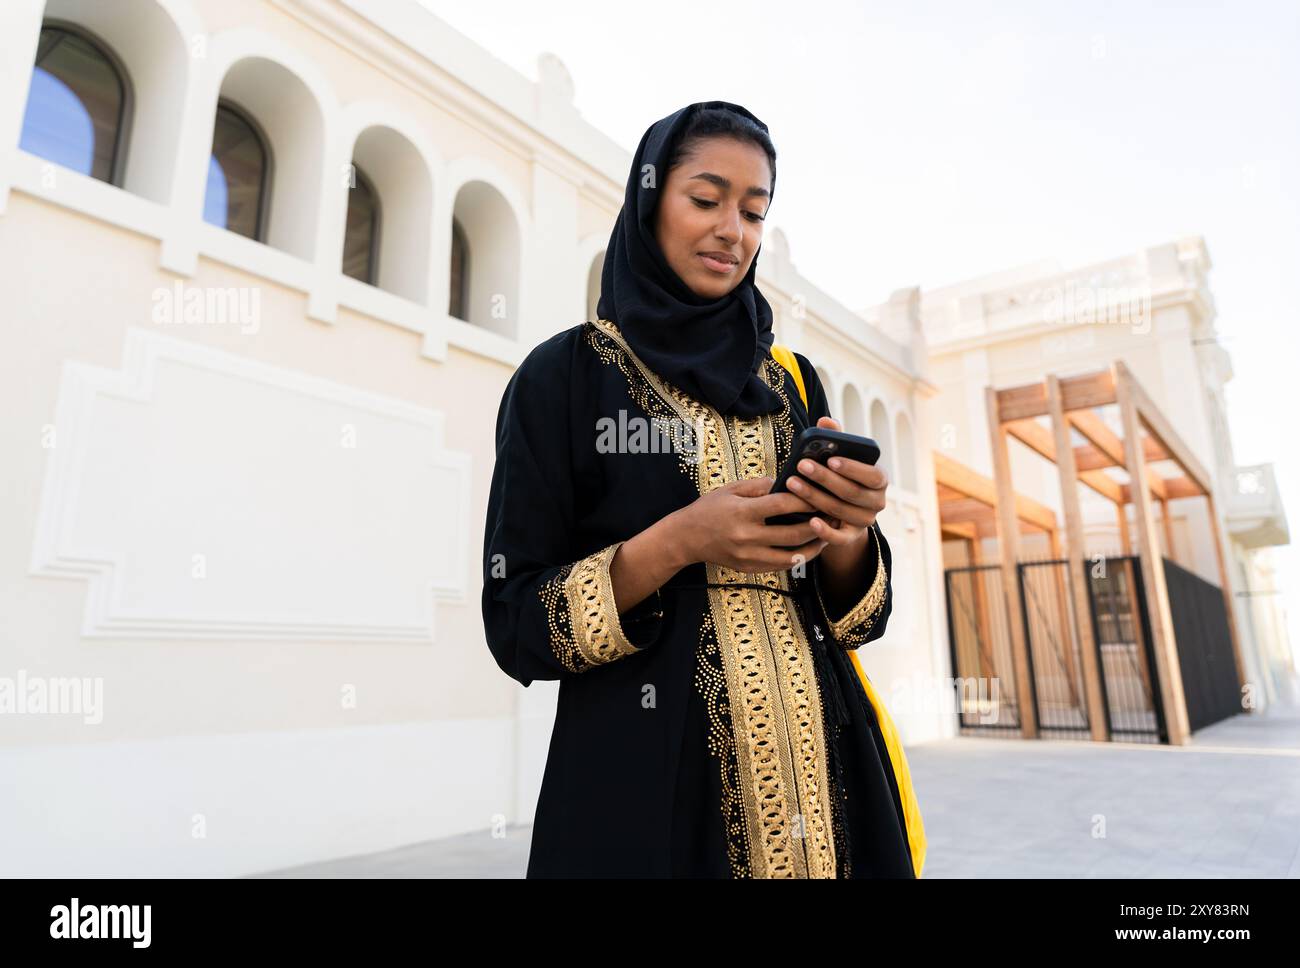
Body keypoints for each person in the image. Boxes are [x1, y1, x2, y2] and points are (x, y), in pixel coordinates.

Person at [481, 100, 912, 878]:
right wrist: (679, 542)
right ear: (650, 202)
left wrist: (848, 531)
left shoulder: (787, 382)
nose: (733, 231)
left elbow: (853, 616)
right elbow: (516, 623)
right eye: (706, 200)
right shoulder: (565, 376)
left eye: (754, 211)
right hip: (649, 789)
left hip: (825, 774)